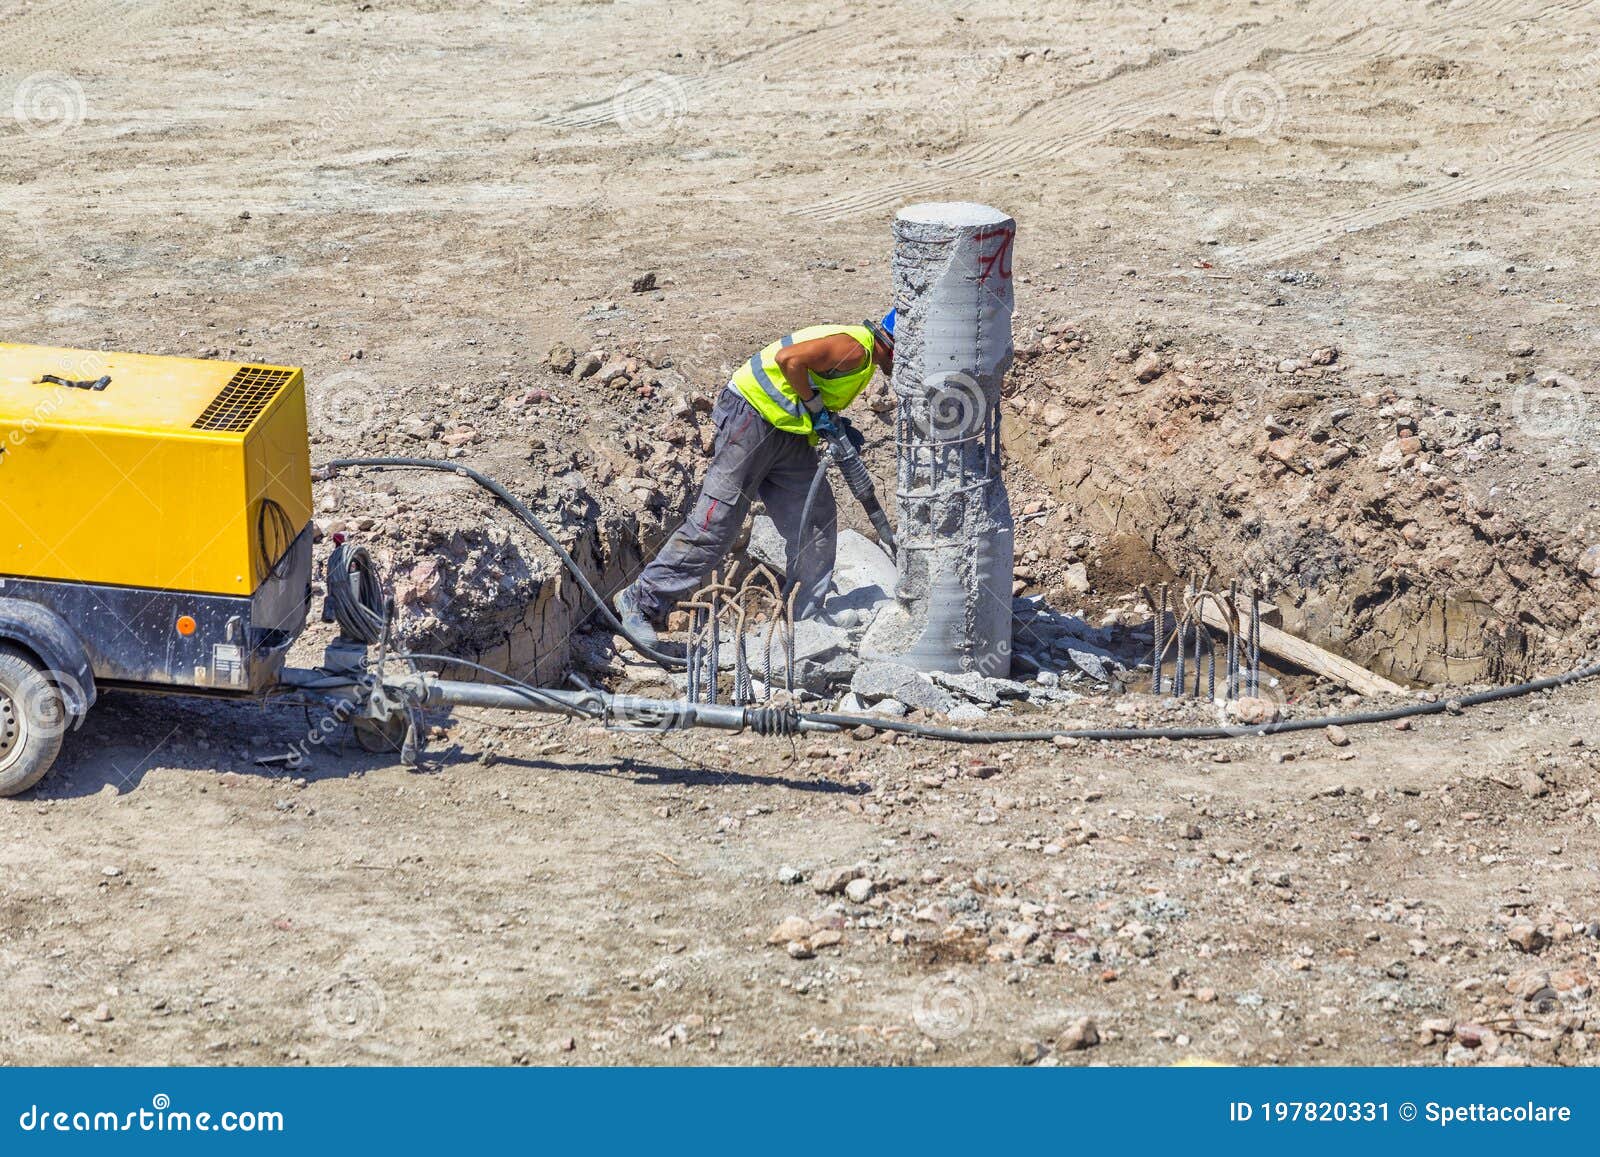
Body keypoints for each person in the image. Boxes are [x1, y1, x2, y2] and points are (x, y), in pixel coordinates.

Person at [613, 311, 896, 647]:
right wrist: (816, 408)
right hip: (750, 420)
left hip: (790, 437)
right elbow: (789, 360)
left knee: (816, 521)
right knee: (717, 524)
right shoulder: (855, 347)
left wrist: (830, 419)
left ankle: (803, 619)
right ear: (894, 346)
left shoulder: (864, 362)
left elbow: (811, 385)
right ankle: (641, 600)